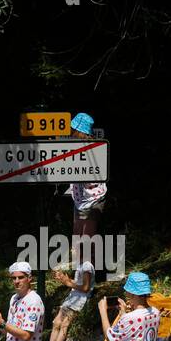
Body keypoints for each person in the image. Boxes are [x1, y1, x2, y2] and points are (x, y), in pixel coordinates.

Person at [66, 113, 107, 272]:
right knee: (77, 241)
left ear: (78, 130)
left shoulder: (93, 148)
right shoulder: (72, 146)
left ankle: (89, 280)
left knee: (87, 240)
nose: (69, 131)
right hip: (78, 199)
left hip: (94, 199)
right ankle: (80, 275)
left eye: (72, 128)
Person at [41, 261, 93, 341]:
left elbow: (86, 288)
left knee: (65, 324)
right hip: (72, 297)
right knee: (56, 322)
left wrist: (68, 283)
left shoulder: (87, 266)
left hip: (80, 299)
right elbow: (78, 283)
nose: (73, 251)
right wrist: (65, 279)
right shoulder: (80, 264)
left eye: (75, 248)